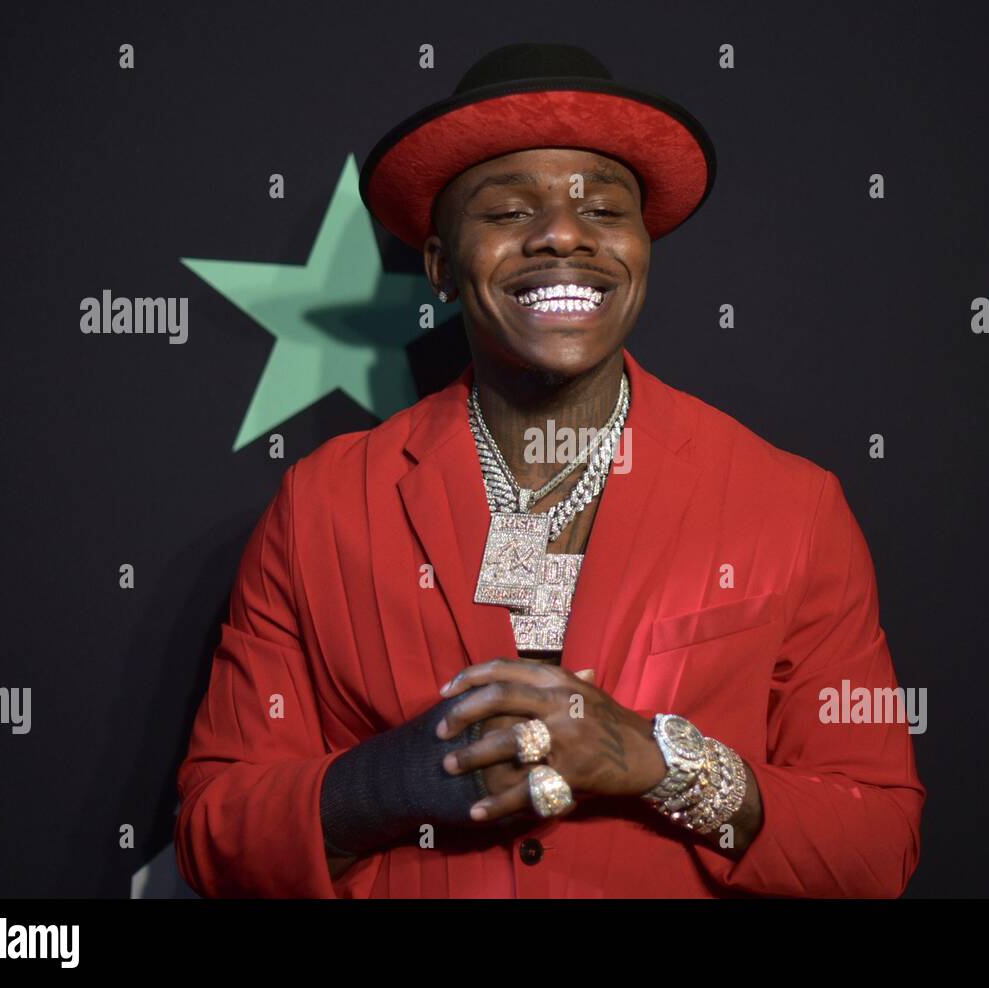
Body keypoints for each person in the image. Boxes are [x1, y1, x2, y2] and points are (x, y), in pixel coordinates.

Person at [174, 42, 925, 898]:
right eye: (504, 212)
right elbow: (212, 831)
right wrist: (388, 783)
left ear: (642, 249)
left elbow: (876, 842)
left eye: (604, 209)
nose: (563, 233)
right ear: (439, 266)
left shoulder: (791, 506)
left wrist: (656, 760)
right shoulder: (322, 503)